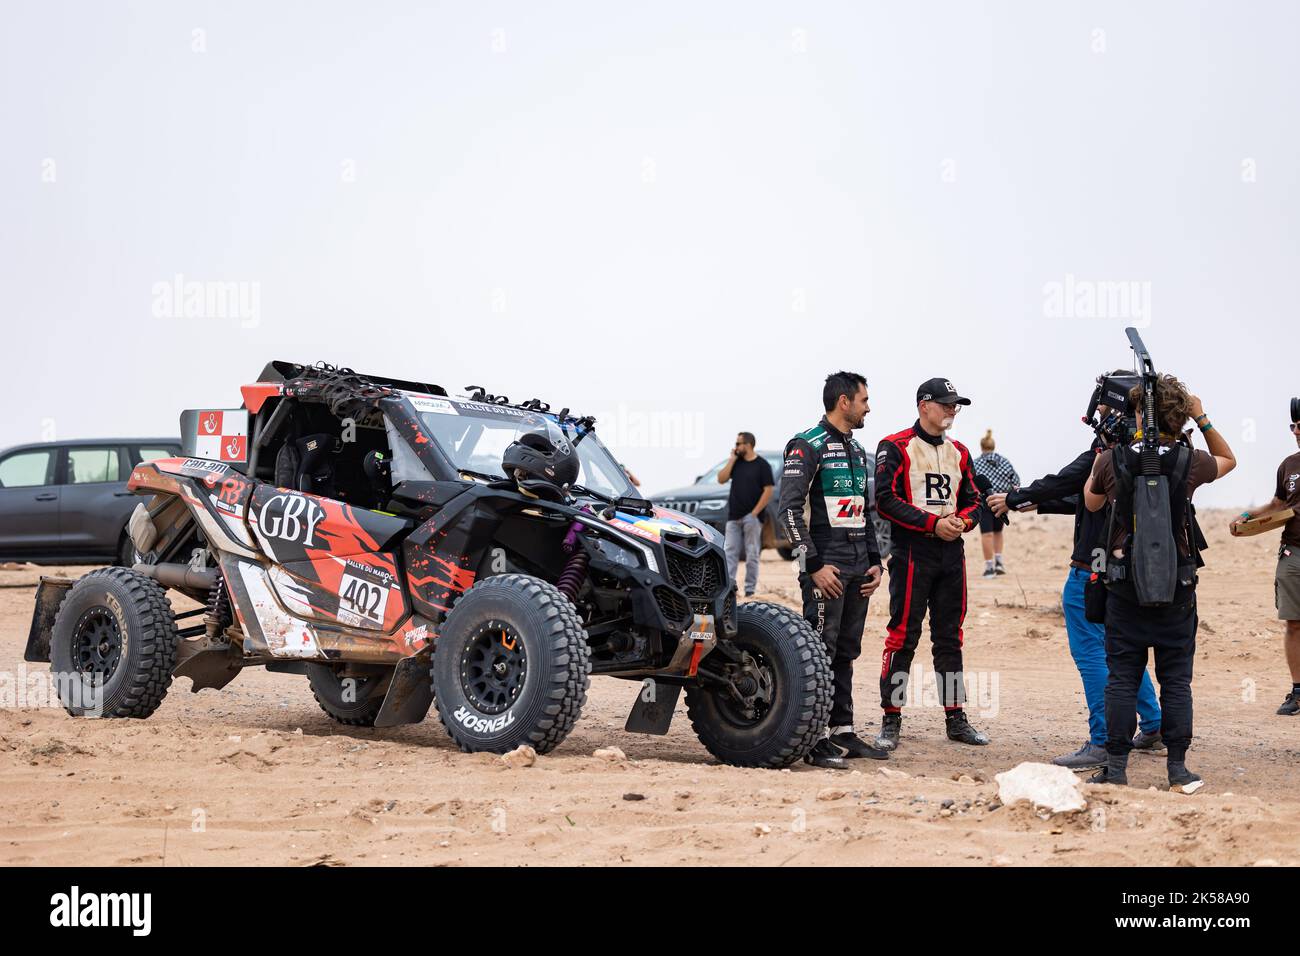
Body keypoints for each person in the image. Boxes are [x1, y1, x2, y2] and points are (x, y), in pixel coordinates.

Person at [985, 374, 1163, 771]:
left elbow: (1068, 478)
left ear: (1116, 408)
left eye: (1102, 404)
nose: (1096, 411)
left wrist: (1017, 496)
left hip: (1091, 572)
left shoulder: (1107, 452)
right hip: (1128, 570)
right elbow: (1090, 497)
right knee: (1125, 652)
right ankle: (1153, 725)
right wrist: (1040, 504)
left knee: (1093, 655)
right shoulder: (1148, 453)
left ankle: (1102, 740)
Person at [1084, 376, 1235, 794]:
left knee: (1121, 679)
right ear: (1179, 416)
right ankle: (1178, 770)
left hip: (1124, 590)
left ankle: (1115, 768)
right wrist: (1202, 418)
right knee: (1176, 682)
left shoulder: (1112, 459)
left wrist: (1110, 453)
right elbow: (1229, 459)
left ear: (1138, 413)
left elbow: (1092, 501)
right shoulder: (1191, 462)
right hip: (1177, 591)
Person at [778, 371, 888, 768]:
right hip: (827, 571)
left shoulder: (858, 451)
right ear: (844, 401)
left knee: (845, 651)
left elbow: (865, 513)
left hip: (859, 570)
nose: (868, 407)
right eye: (864, 400)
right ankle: (813, 737)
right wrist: (814, 567)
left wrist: (876, 563)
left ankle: (842, 731)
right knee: (819, 652)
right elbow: (787, 511)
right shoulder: (807, 445)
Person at [874, 378, 987, 750]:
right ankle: (891, 718)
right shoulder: (895, 446)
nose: (953, 410)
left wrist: (963, 522)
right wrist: (931, 523)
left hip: (951, 555)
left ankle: (955, 718)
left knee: (950, 638)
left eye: (956, 404)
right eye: (946, 403)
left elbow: (975, 499)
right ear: (925, 406)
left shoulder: (961, 452)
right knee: (903, 635)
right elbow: (885, 500)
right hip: (911, 553)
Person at [1229, 406, 1300, 715]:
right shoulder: (1288, 465)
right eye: (1293, 426)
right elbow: (1278, 503)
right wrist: (1247, 516)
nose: (1296, 431)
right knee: (1295, 623)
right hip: (1293, 552)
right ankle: (1298, 691)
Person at [717, 432, 774, 597]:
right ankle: (729, 589)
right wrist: (732, 459)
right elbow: (721, 479)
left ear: (748, 445)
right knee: (730, 552)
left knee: (752, 553)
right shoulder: (736, 463)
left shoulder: (762, 465)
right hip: (733, 517)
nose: (736, 447)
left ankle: (750, 590)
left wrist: (755, 513)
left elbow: (768, 489)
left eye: (738, 443)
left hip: (753, 518)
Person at [972, 430, 1020, 577]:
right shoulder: (1004, 461)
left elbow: (972, 483)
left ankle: (989, 567)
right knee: (998, 531)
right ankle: (999, 562)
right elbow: (1016, 481)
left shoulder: (976, 463)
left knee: (987, 534)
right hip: (1002, 501)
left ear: (981, 447)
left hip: (985, 501)